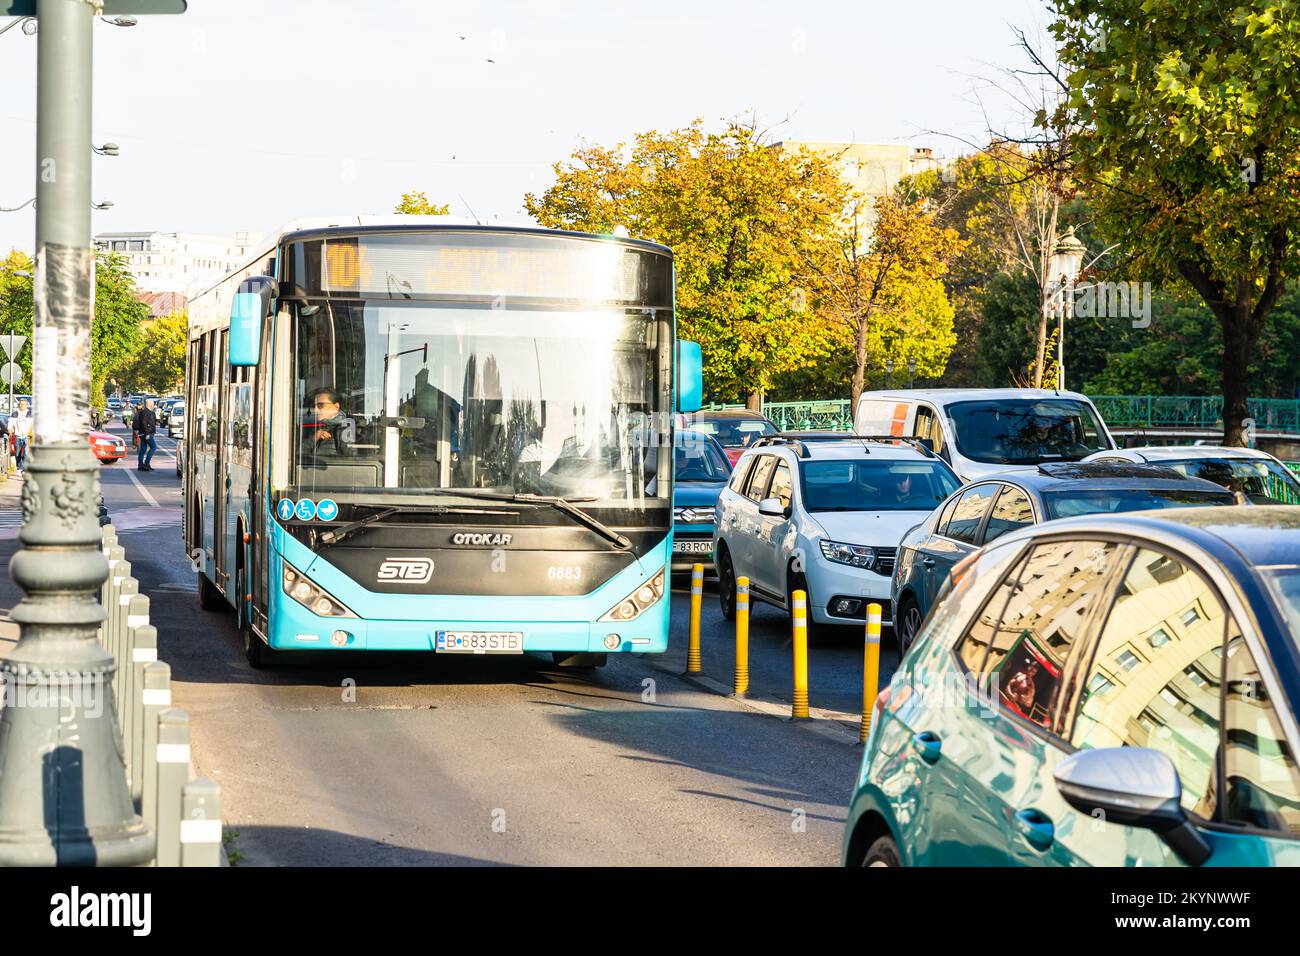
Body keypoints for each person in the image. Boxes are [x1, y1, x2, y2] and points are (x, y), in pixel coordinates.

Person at [302, 387, 351, 458]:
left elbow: (352, 458)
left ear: (336, 407)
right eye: (313, 406)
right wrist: (315, 437)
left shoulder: (346, 428)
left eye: (321, 405)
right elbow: (298, 454)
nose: (315, 410)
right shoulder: (310, 427)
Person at [134, 398, 158, 471]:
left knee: (143, 449)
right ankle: (146, 463)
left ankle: (141, 465)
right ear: (150, 404)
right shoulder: (146, 412)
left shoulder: (147, 412)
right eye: (153, 404)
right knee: (153, 447)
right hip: (146, 433)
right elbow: (144, 423)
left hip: (144, 433)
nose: (154, 405)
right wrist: (147, 433)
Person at [9, 398, 32, 475]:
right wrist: (10, 429)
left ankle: (24, 469)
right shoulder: (15, 413)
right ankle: (19, 468)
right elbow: (10, 423)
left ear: (26, 405)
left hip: (26, 436)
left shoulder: (29, 414)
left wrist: (31, 433)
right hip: (17, 436)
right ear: (18, 405)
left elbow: (32, 424)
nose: (22, 405)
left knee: (26, 453)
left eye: (23, 404)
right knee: (17, 454)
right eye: (20, 404)